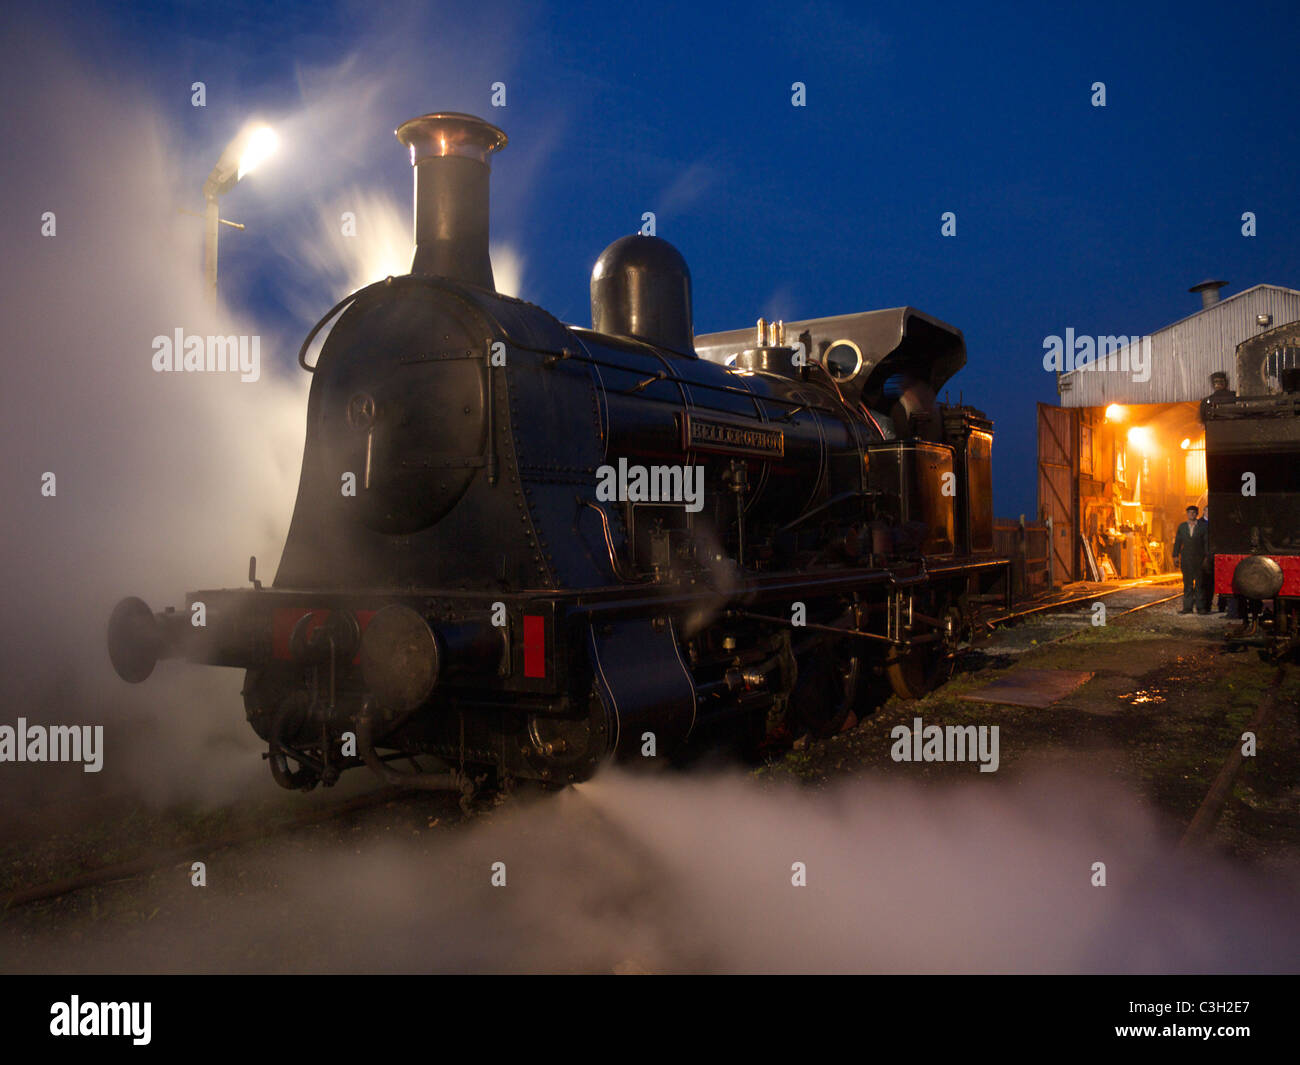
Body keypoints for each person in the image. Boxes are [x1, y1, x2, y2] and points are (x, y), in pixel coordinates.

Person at [1172, 505, 1208, 614]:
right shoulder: (1182, 527)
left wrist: (1206, 557)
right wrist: (1175, 556)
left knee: (1199, 584)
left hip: (1199, 559)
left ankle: (1200, 608)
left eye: (1193, 512)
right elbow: (1178, 542)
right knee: (1187, 584)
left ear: (1197, 514)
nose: (1191, 514)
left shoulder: (1203, 527)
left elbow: (1206, 543)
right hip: (1186, 559)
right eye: (1189, 512)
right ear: (1187, 514)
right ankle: (1187, 607)